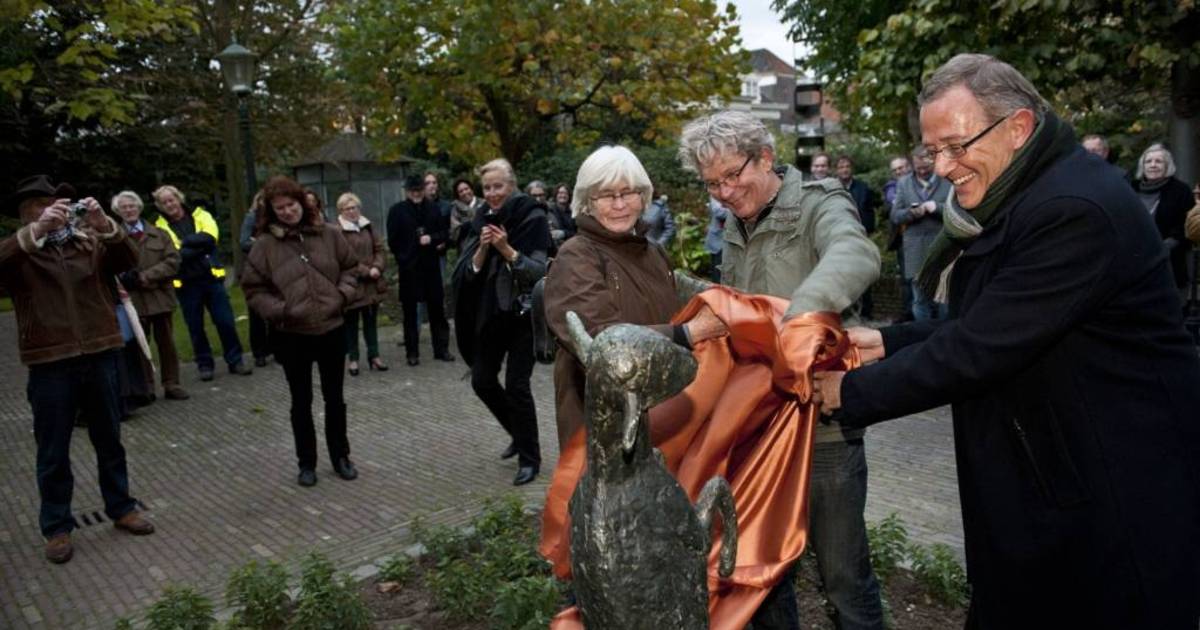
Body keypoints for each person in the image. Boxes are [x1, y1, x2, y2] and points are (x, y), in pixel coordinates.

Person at [812, 53, 1200, 629]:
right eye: (933, 150)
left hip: (1109, 496)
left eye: (956, 146)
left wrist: (849, 392)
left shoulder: (1072, 209)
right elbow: (1001, 320)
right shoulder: (1031, 191)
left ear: (1017, 127)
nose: (944, 167)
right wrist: (888, 343)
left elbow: (982, 346)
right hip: (1056, 478)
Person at [678, 109, 883, 630]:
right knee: (761, 575)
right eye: (712, 184)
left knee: (844, 579)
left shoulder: (819, 202)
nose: (724, 192)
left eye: (732, 175)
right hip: (759, 428)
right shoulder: (734, 223)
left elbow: (855, 253)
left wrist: (797, 322)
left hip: (823, 424)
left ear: (765, 157)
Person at [2, 175, 156, 564]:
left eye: (57, 204)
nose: (54, 211)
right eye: (42, 206)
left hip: (100, 353)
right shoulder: (21, 252)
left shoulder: (88, 244)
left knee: (110, 439)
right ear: (26, 214)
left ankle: (121, 507)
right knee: (53, 449)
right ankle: (57, 526)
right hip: (50, 362)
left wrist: (105, 224)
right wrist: (37, 231)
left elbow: (130, 261)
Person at [543, 145, 724, 448]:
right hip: (604, 426)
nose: (619, 204)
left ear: (643, 197)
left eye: (628, 192)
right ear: (587, 202)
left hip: (661, 414)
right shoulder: (577, 256)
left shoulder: (653, 252)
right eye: (606, 195)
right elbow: (601, 341)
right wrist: (689, 333)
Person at [242, 176, 360, 488]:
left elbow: (351, 268)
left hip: (331, 328)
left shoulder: (329, 234)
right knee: (301, 401)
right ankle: (306, 463)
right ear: (271, 211)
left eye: (291, 205)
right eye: (279, 208)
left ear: (301, 203)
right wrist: (281, 310)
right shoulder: (264, 245)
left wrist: (342, 296)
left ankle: (341, 457)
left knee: (335, 399)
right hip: (292, 335)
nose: (287, 211)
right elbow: (253, 289)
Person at [452, 158, 550, 486]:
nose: (492, 193)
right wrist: (483, 249)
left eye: (498, 186)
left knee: (517, 386)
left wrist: (506, 249)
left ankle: (530, 459)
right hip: (491, 314)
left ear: (512, 185)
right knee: (481, 380)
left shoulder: (533, 216)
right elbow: (467, 274)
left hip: (524, 316)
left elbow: (539, 273)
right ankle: (519, 434)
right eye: (487, 188)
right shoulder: (481, 217)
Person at [152, 185, 251, 381]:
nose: (169, 204)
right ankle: (205, 365)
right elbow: (174, 255)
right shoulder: (159, 227)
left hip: (211, 280)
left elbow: (211, 238)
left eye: (171, 199)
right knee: (195, 327)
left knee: (225, 321)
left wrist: (186, 244)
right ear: (160, 206)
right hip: (185, 284)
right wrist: (198, 245)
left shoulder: (201, 215)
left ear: (179, 198)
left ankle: (236, 360)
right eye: (164, 202)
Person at [111, 190, 189, 401]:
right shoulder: (114, 238)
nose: (129, 210)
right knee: (139, 346)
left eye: (132, 206)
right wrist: (124, 277)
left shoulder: (159, 234)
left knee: (167, 344)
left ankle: (172, 384)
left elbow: (173, 261)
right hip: (133, 301)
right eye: (124, 207)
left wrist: (146, 277)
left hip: (159, 297)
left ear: (139, 208)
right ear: (118, 211)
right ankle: (146, 387)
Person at [387, 174, 453, 366]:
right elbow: (393, 241)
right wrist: (404, 258)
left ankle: (441, 349)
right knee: (410, 313)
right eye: (412, 191)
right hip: (409, 269)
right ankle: (412, 353)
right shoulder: (397, 211)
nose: (416, 194)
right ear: (407, 192)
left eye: (418, 190)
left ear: (423, 190)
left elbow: (445, 234)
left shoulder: (433, 208)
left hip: (431, 267)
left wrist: (431, 239)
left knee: (437, 310)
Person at [891, 146, 953, 321]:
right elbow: (895, 216)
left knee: (943, 300)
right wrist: (912, 213)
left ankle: (944, 334)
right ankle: (922, 334)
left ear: (933, 162)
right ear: (912, 164)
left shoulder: (947, 180)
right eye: (918, 168)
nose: (922, 171)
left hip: (943, 246)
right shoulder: (903, 183)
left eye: (925, 167)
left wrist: (936, 207)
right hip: (915, 250)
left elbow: (958, 211)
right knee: (919, 300)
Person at [336, 192, 388, 375]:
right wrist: (366, 271)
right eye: (348, 209)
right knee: (351, 324)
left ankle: (374, 356)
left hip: (372, 284)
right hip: (352, 284)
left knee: (370, 321)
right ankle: (353, 359)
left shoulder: (368, 226)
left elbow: (379, 249)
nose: (352, 211)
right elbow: (343, 258)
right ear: (341, 211)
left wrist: (377, 266)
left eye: (355, 207)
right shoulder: (338, 231)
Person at [1132, 143, 1193, 293]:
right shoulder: (1130, 188)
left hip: (1169, 263)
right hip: (1133, 262)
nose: (1153, 165)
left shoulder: (1181, 191)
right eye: (1148, 161)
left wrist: (1161, 248)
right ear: (1142, 166)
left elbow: (1186, 226)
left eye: (1158, 161)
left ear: (1167, 166)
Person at [239, 194, 272, 367]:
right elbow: (244, 242)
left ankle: (274, 347)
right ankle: (259, 352)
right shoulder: (251, 217)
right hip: (256, 269)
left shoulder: (275, 218)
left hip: (274, 268)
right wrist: (265, 242)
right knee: (256, 312)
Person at [883, 156, 914, 321]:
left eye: (901, 168)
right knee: (906, 278)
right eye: (895, 170)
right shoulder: (891, 187)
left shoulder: (919, 183)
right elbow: (890, 207)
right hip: (903, 239)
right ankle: (908, 312)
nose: (898, 172)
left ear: (909, 166)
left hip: (926, 236)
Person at [451, 178, 484, 249]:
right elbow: (455, 232)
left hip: (484, 245)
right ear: (458, 195)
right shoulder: (455, 208)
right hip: (465, 248)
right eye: (461, 191)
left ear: (471, 189)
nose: (464, 192)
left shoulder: (484, 203)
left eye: (466, 189)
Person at [546, 182, 576, 251]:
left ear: (569, 196)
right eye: (560, 193)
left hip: (571, 247)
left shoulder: (573, 213)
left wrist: (564, 233)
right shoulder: (549, 211)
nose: (563, 195)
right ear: (556, 195)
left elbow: (577, 232)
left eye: (565, 193)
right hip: (554, 248)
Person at [705, 197, 728, 283]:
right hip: (718, 243)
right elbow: (719, 212)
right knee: (717, 276)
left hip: (734, 241)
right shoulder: (716, 193)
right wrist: (737, 210)